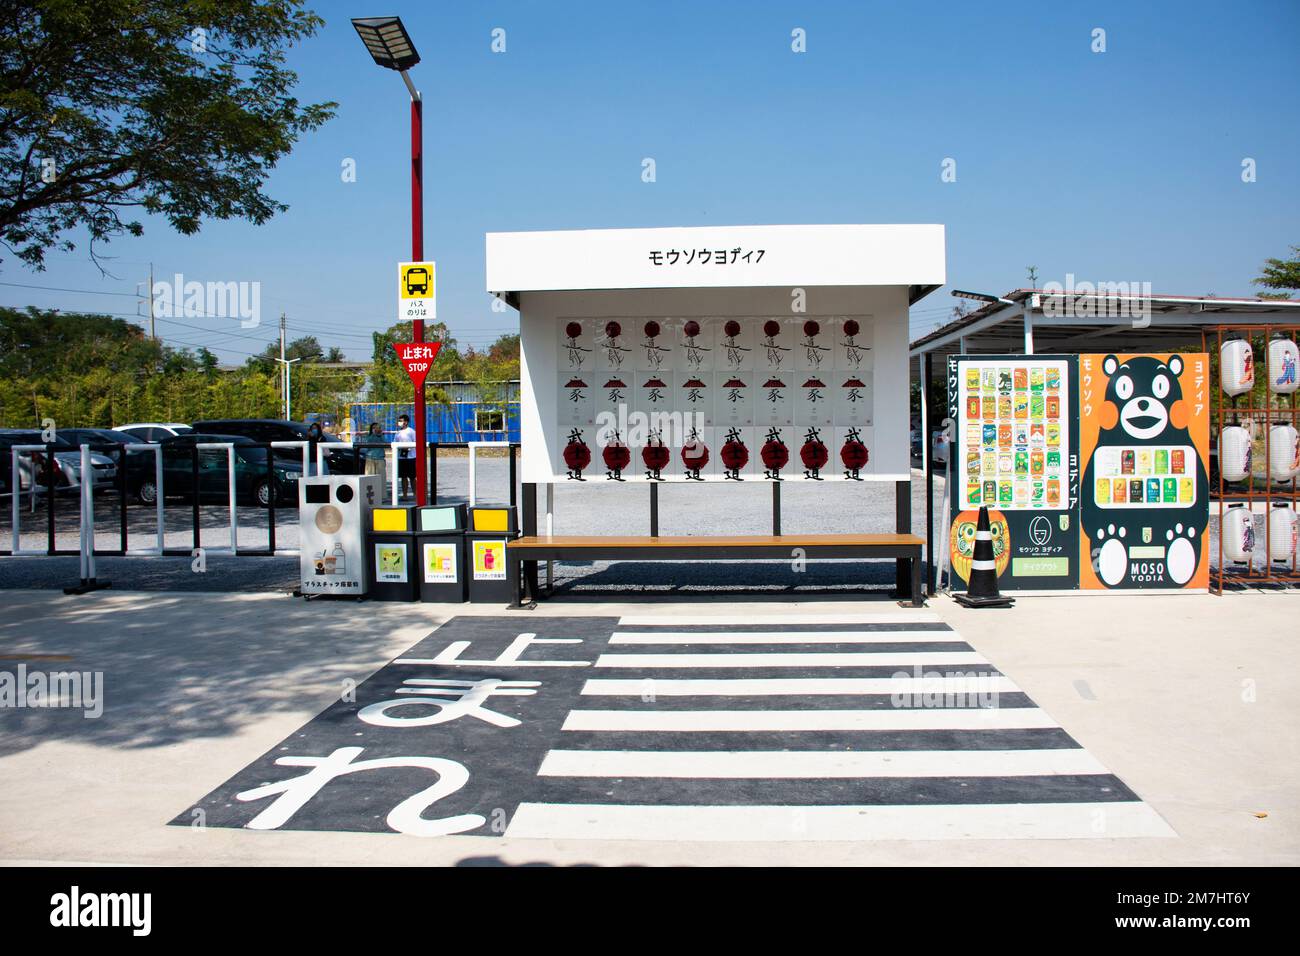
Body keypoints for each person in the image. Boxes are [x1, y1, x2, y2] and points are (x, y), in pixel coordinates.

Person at [394, 414, 416, 498]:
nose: (399, 422)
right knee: (403, 477)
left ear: (406, 422)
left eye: (401, 421)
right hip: (401, 457)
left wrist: (408, 448)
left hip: (411, 457)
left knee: (412, 477)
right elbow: (395, 443)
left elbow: (416, 442)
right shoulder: (398, 433)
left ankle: (415, 494)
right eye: (399, 421)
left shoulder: (411, 431)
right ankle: (405, 495)